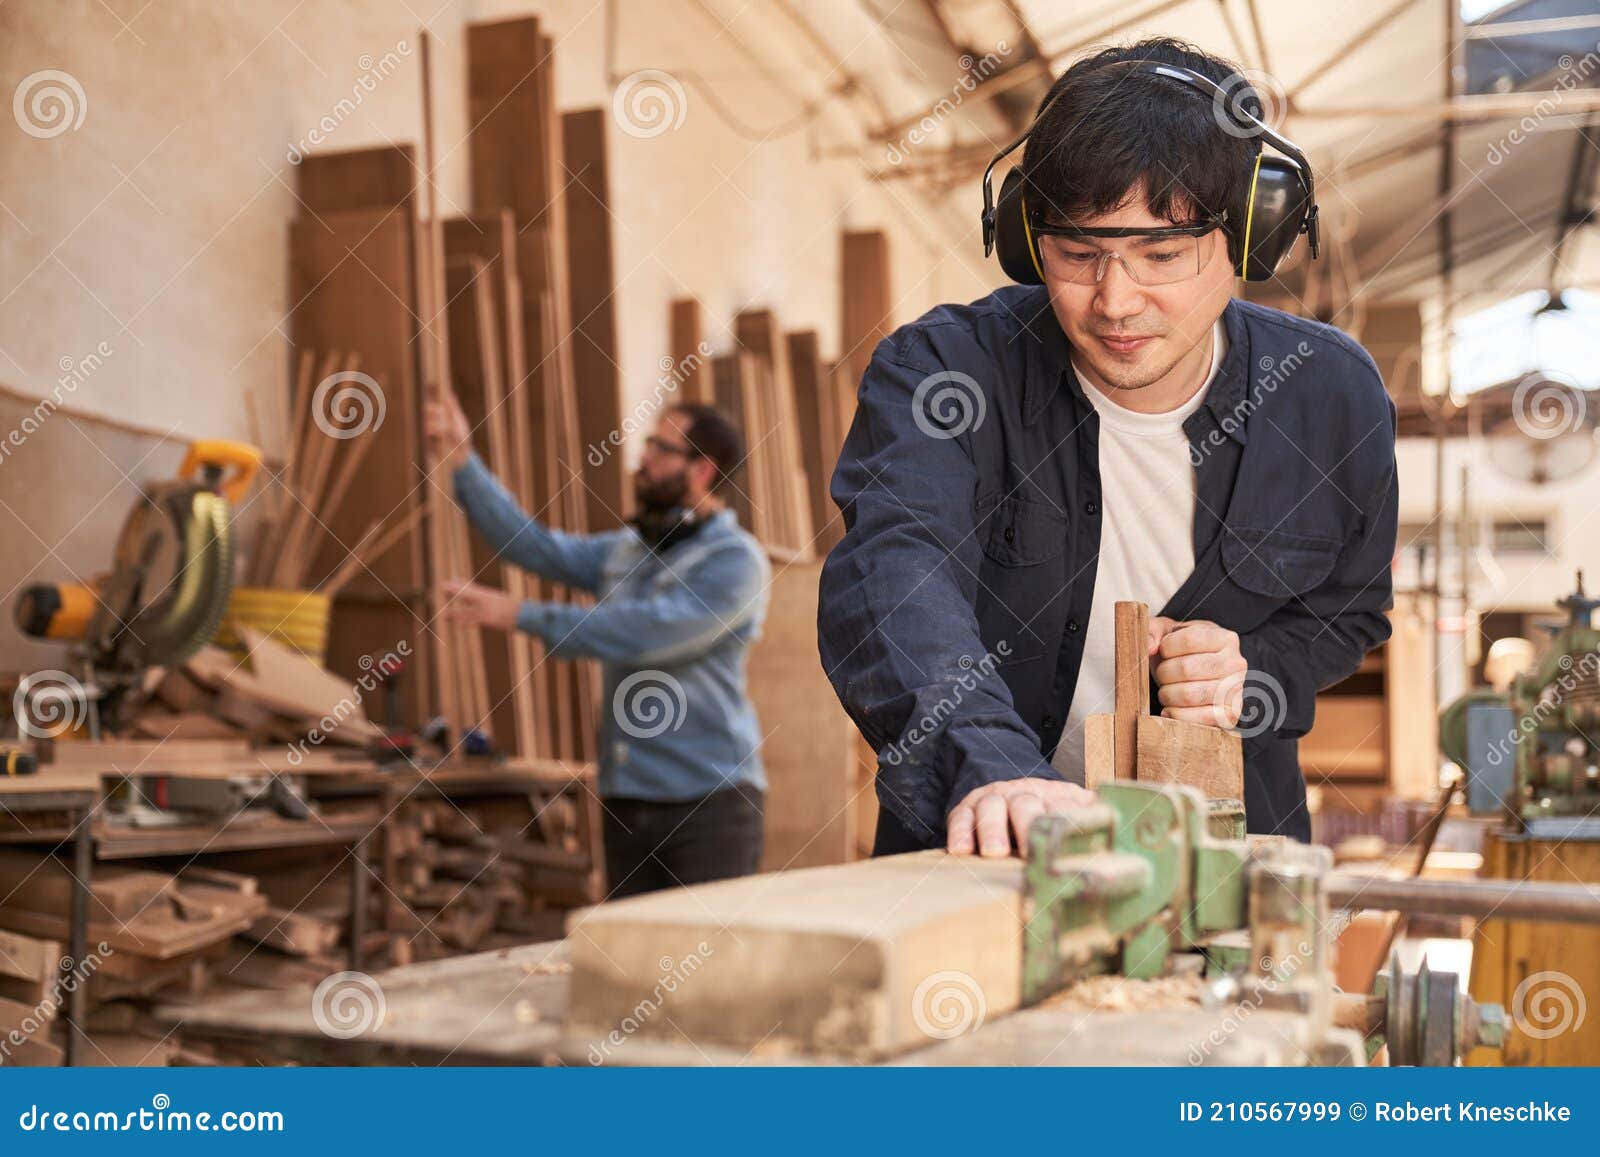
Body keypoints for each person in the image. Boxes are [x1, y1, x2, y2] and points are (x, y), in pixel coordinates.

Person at [818, 38, 1398, 858]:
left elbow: (1350, 610)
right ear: (1026, 240)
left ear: (1246, 238)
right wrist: (992, 763)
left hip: (1225, 867)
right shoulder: (945, 374)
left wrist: (1253, 672)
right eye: (1078, 254)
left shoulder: (1332, 395)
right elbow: (893, 572)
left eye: (1161, 255)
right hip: (986, 857)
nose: (1115, 302)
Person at [425, 392, 770, 897]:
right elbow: (534, 546)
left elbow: (646, 631)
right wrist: (463, 462)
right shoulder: (627, 550)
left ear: (702, 470)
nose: (643, 460)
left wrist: (523, 614)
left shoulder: (736, 563)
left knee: (704, 969)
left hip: (709, 806)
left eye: (659, 448)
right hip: (628, 800)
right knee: (631, 969)